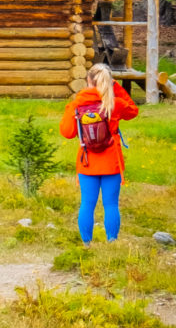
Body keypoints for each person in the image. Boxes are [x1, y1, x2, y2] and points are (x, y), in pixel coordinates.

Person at [59, 63, 139, 245]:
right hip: (111, 163)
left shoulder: (76, 105)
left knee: (87, 204)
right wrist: (116, 88)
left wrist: (69, 110)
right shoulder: (115, 105)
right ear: (109, 82)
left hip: (87, 163)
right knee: (111, 204)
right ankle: (112, 242)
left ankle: (86, 244)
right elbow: (133, 111)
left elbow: (67, 132)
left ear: (88, 81)